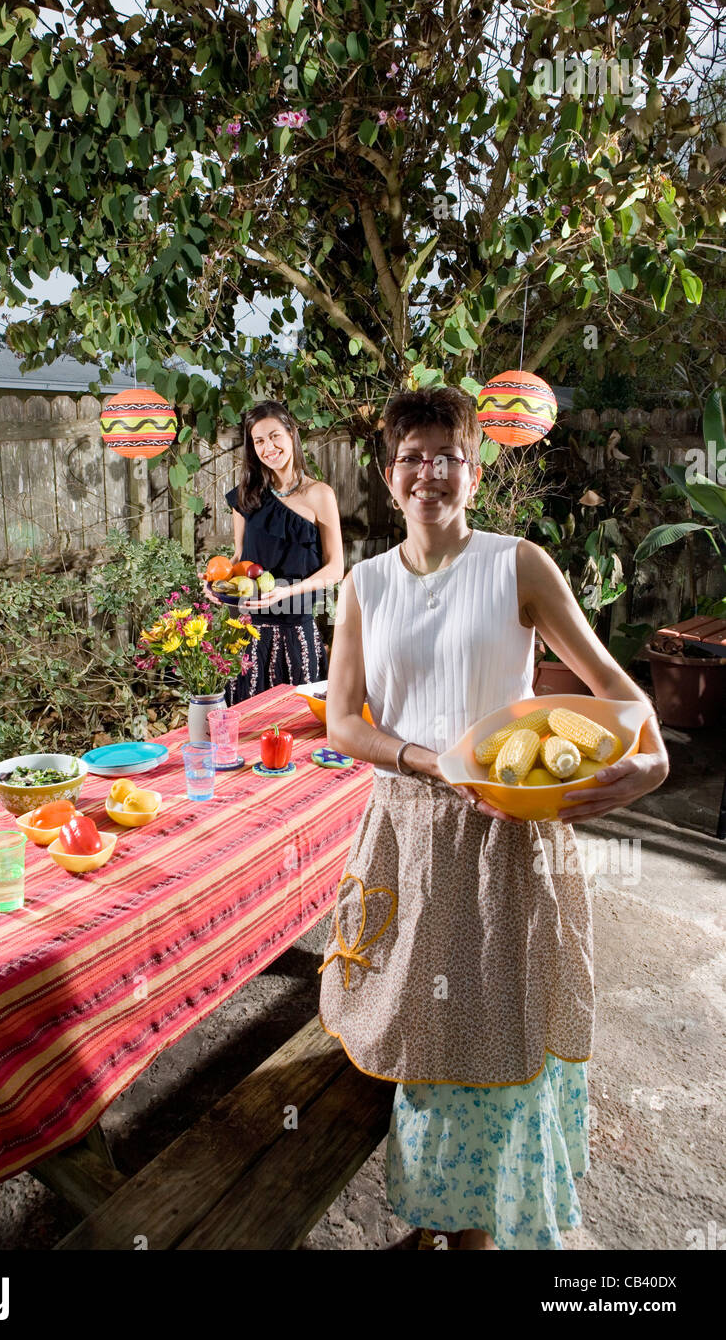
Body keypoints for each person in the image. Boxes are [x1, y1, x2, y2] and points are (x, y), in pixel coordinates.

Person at [318, 385, 669, 1251]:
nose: (429, 472)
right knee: (425, 1037)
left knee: (506, 1037)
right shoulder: (364, 585)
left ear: (474, 473)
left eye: (448, 456)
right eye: (412, 457)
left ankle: (491, 1231)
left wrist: (650, 762)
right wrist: (428, 759)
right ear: (389, 476)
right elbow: (344, 721)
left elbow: (617, 695)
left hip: (509, 838)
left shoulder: (519, 565)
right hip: (406, 834)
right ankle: (443, 1221)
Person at [210, 401, 345, 700]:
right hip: (249, 635)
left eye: (274, 436)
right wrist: (217, 585)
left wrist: (287, 592)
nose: (268, 447)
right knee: (246, 728)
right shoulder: (246, 496)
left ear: (292, 433)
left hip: (297, 631)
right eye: (259, 441)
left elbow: (335, 568)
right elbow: (238, 560)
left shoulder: (319, 495)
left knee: (301, 729)